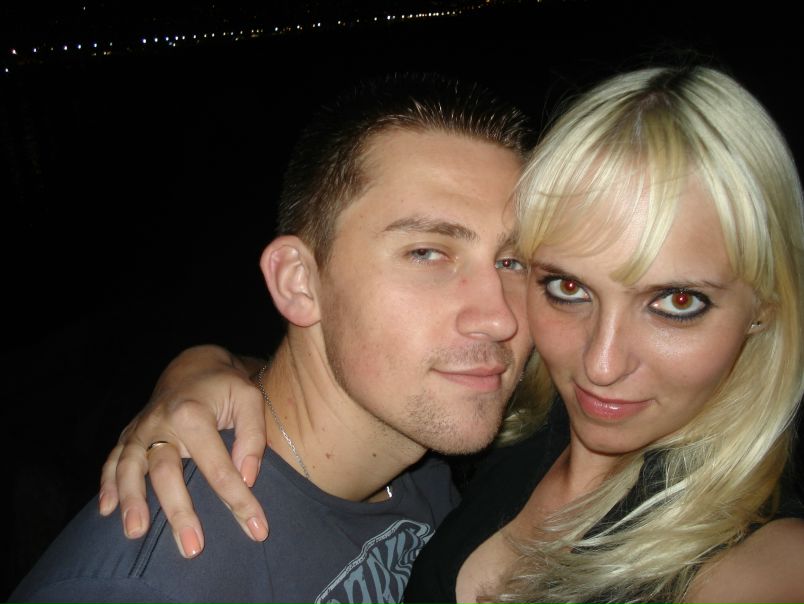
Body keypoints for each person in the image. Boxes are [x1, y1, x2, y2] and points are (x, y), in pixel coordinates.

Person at [88, 65, 804, 603]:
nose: (602, 362)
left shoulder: (760, 561)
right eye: (567, 286)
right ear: (299, 283)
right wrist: (204, 367)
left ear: (766, 309)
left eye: (677, 301)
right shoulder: (519, 428)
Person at [9, 73, 537, 603]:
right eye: (427, 253)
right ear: (298, 282)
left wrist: (205, 360)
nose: (500, 319)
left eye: (513, 261)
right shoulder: (148, 585)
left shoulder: (417, 457)